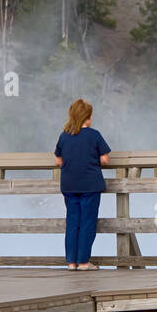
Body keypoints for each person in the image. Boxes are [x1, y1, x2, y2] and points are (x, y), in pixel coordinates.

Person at [53, 99, 112, 270]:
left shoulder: (64, 135)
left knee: (72, 222)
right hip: (90, 185)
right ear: (87, 117)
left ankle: (71, 262)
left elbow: (58, 161)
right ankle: (84, 262)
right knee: (87, 222)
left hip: (70, 185)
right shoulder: (94, 135)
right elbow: (105, 159)